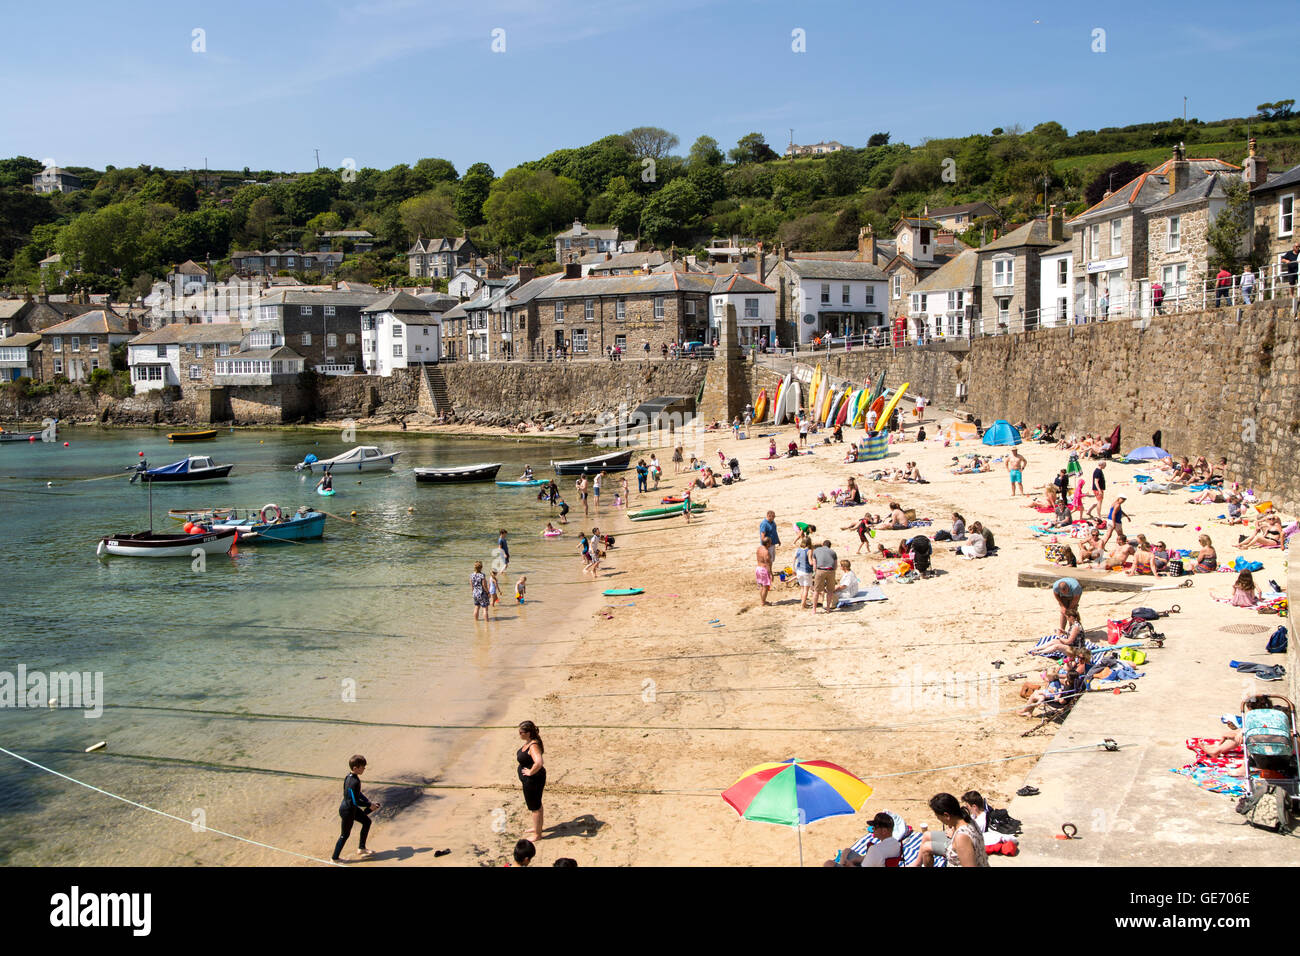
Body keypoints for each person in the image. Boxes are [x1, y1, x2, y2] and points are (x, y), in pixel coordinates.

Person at [911, 793, 988, 867]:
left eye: (938, 817)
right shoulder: (967, 820)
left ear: (946, 816)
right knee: (927, 835)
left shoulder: (961, 838)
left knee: (926, 847)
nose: (939, 820)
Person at [332, 754, 379, 862]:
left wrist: (369, 802)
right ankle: (334, 858)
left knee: (367, 822)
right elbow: (355, 801)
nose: (364, 769)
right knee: (345, 835)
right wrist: (369, 805)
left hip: (351, 809)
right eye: (362, 767)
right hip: (347, 811)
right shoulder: (354, 782)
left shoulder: (349, 776)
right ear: (355, 768)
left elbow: (357, 794)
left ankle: (361, 848)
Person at [516, 721, 546, 841]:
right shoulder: (530, 741)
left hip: (533, 780)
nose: (519, 734)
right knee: (537, 805)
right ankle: (537, 828)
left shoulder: (533, 746)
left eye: (521, 732)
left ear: (528, 733)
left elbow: (539, 762)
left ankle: (537, 835)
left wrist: (530, 772)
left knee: (535, 807)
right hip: (531, 779)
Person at [811, 539, 838, 613]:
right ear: (829, 546)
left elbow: (814, 564)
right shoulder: (833, 552)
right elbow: (835, 566)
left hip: (820, 570)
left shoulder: (816, 551)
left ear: (823, 545)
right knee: (830, 591)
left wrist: (815, 573)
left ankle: (814, 609)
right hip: (830, 570)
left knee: (816, 591)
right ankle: (828, 609)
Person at [794, 535, 815, 608]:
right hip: (806, 571)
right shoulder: (809, 551)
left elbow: (794, 558)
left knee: (802, 588)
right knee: (806, 589)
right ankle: (803, 605)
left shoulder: (798, 549)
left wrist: (794, 569)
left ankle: (802, 602)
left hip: (799, 570)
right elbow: (810, 562)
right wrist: (815, 563)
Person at [755, 535, 774, 606]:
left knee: (761, 585)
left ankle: (762, 600)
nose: (771, 544)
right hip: (763, 569)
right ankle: (763, 602)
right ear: (767, 543)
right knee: (766, 587)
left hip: (758, 568)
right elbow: (767, 564)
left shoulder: (759, 548)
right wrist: (771, 573)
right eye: (770, 543)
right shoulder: (766, 552)